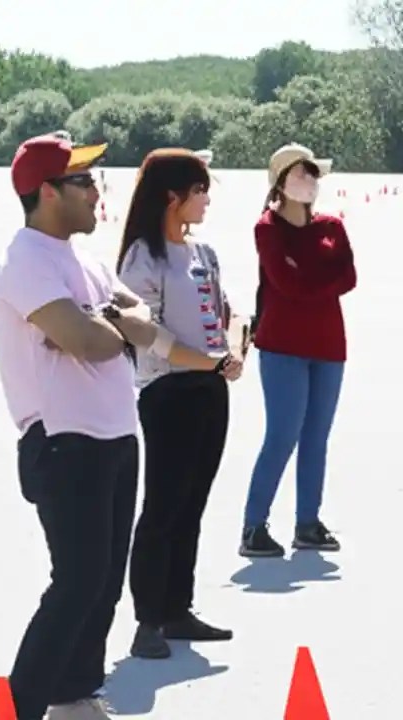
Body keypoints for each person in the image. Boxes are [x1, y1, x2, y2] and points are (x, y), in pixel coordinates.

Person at [0, 135, 197, 720]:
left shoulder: (89, 263)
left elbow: (142, 322)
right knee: (75, 583)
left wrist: (107, 321)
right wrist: (107, 325)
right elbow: (88, 341)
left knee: (103, 584)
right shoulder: (22, 262)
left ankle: (73, 697)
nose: (96, 190)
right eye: (83, 181)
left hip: (116, 435)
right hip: (63, 442)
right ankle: (18, 707)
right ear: (47, 192)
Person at [115, 148, 244, 658]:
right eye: (199, 190)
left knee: (193, 503)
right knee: (164, 505)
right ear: (173, 196)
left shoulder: (202, 251)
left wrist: (231, 352)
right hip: (168, 392)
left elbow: (224, 309)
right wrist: (203, 361)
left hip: (209, 387)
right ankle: (148, 619)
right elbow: (147, 334)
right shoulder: (142, 258)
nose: (207, 200)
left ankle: (177, 608)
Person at [240, 143, 356, 558]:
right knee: (282, 435)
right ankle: (253, 526)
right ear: (280, 184)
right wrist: (317, 280)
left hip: (328, 345)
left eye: (312, 174)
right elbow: (286, 284)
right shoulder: (267, 228)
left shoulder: (332, 226)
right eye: (299, 175)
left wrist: (306, 277)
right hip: (282, 346)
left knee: (316, 438)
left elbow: (349, 277)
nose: (309, 182)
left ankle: (308, 523)